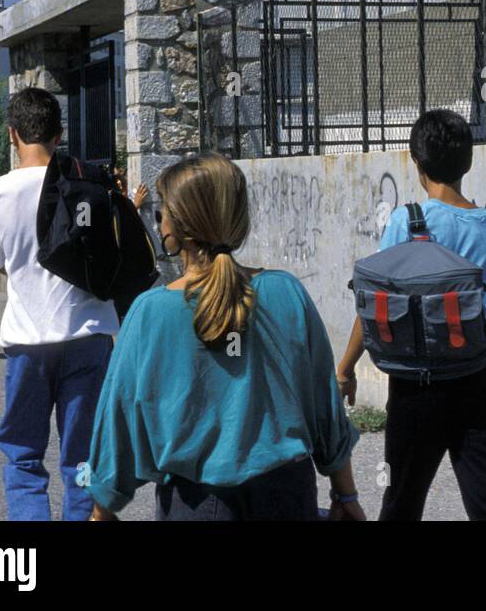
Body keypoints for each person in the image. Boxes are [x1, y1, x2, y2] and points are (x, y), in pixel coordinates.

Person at [86, 151, 362, 521]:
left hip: (194, 504)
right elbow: (323, 404)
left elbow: (118, 422)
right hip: (288, 496)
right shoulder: (286, 293)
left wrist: (103, 509)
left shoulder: (150, 312)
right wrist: (345, 494)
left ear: (172, 229)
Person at [336, 109, 486, 521]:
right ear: (468, 162)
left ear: (416, 164)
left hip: (416, 388)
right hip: (482, 383)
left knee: (401, 503)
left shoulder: (406, 221)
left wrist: (345, 369)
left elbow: (373, 306)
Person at [0, 88, 118, 520]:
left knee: (23, 455)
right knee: (84, 457)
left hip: (27, 339)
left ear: (11, 134)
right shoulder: (90, 183)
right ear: (60, 135)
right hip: (89, 335)